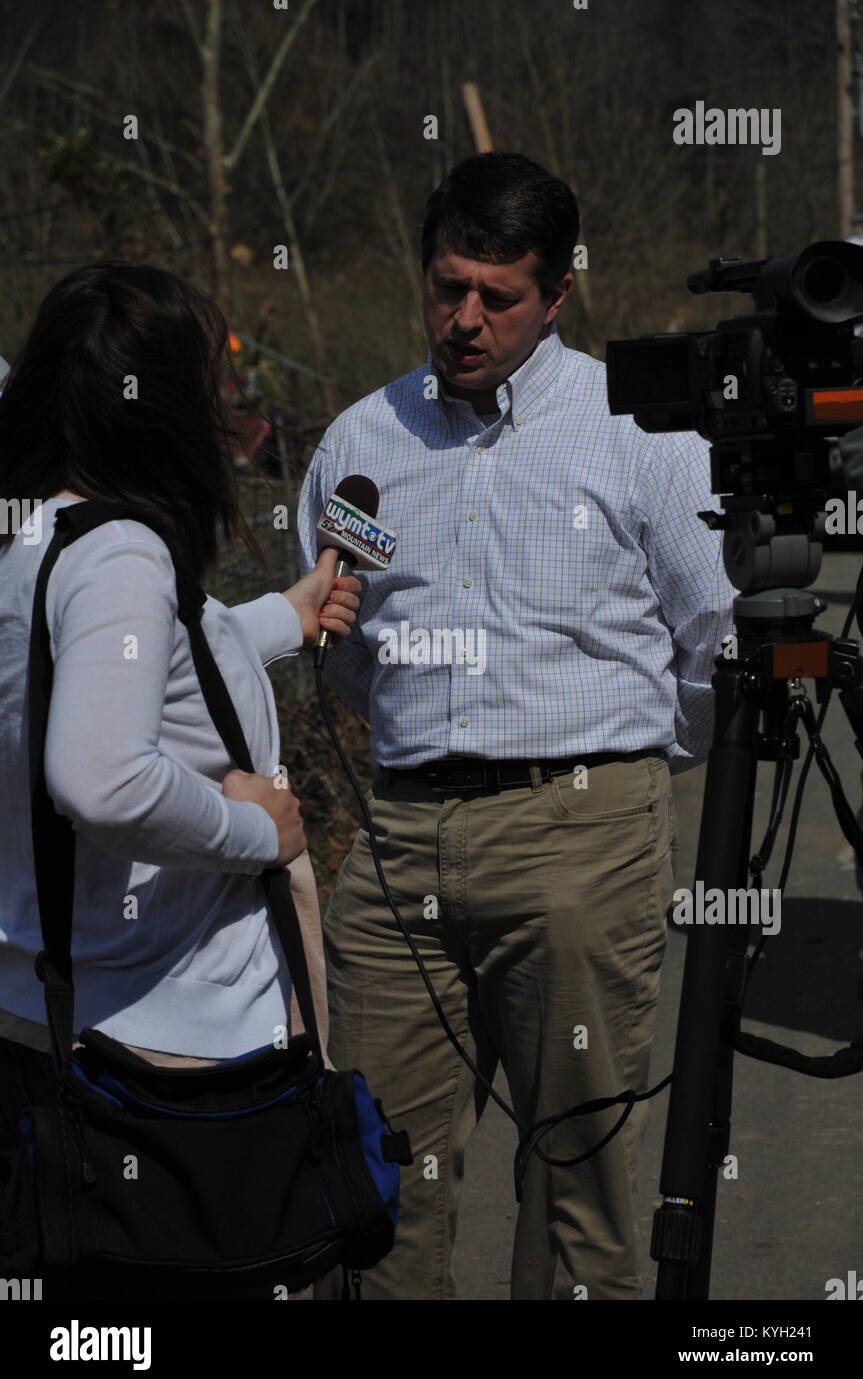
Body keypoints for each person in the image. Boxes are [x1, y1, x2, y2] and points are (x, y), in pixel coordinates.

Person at [297, 152, 735, 1301]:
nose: (464, 319)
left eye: (497, 296)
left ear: (556, 294)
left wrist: (621, 767)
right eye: (447, 286)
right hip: (398, 843)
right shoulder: (359, 444)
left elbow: (714, 639)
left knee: (575, 1183)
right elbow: (337, 640)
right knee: (374, 1179)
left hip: (579, 833)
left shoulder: (639, 430)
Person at [0, 263, 360, 1165]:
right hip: (160, 1036)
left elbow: (117, 663)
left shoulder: (33, 536)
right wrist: (255, 832)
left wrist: (282, 616)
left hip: (45, 998)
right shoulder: (121, 553)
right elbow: (102, 778)